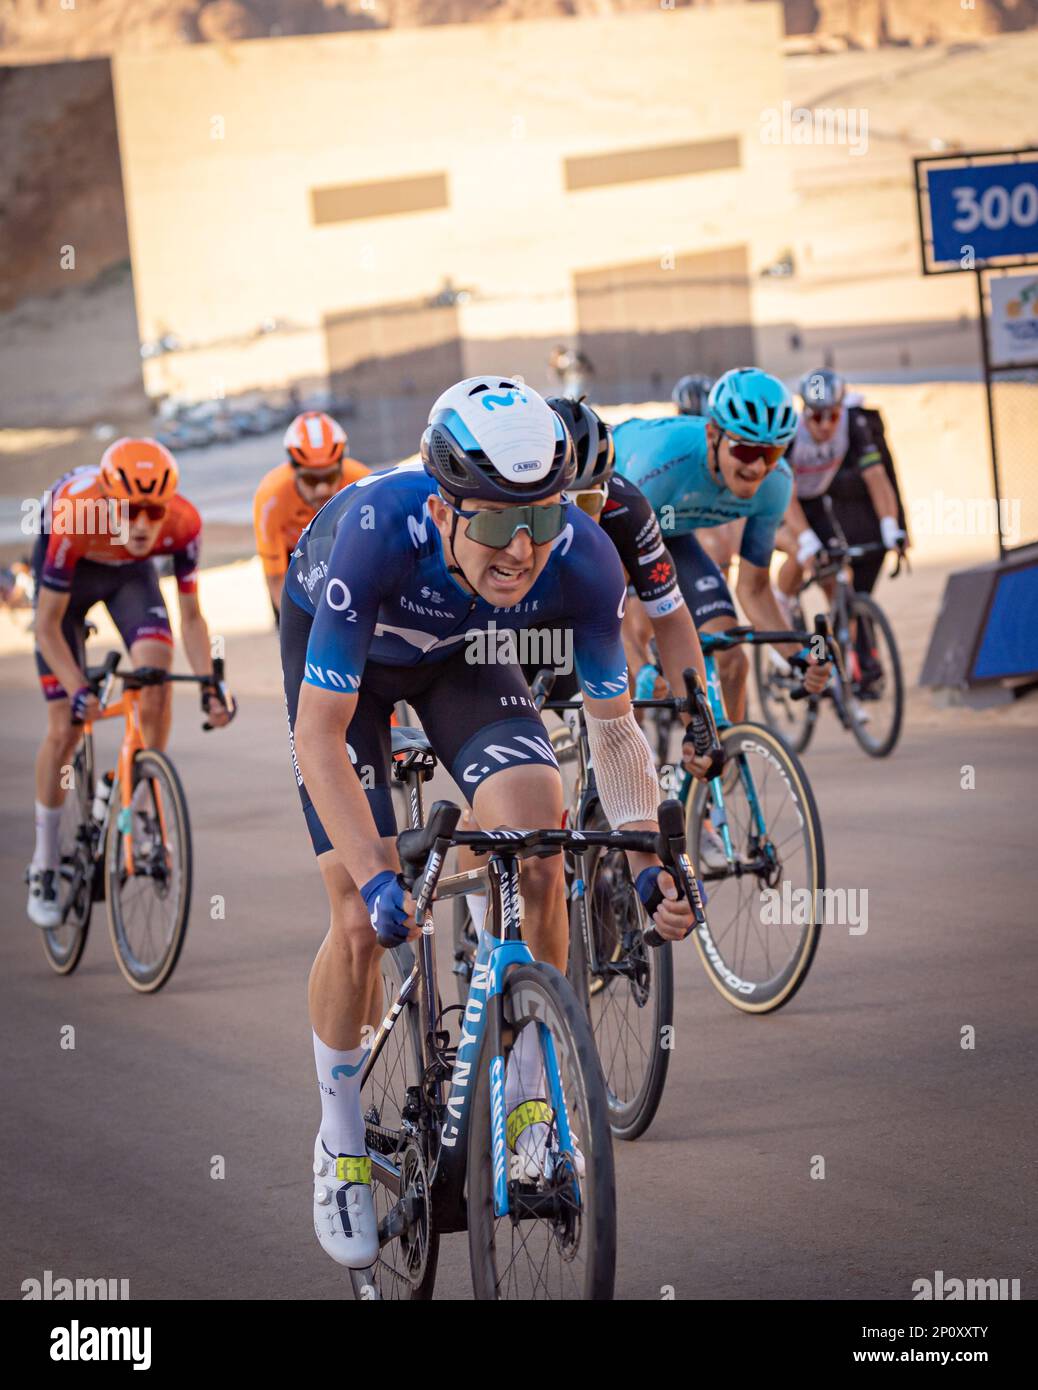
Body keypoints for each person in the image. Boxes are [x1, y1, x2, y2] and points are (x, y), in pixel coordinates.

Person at [280, 375, 695, 1268]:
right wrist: (379, 874)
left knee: (542, 850)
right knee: (357, 917)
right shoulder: (372, 534)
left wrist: (650, 863)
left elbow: (616, 739)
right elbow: (318, 741)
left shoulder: (584, 559)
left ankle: (533, 1103)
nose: (523, 553)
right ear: (443, 505)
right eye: (501, 525)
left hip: (462, 659)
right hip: (343, 665)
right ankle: (340, 1138)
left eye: (541, 521)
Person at [27, 439, 235, 928]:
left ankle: (137, 796)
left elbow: (191, 616)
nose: (143, 523)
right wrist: (78, 687)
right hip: (68, 584)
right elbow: (46, 625)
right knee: (64, 726)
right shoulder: (73, 516)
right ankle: (44, 864)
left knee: (156, 675)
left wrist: (209, 685)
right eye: (131, 510)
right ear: (105, 500)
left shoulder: (183, 523)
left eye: (153, 511)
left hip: (128, 578)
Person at [613, 368, 830, 723]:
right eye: (745, 450)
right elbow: (608, 600)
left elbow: (755, 589)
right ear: (713, 434)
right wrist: (638, 662)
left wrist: (797, 655)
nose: (758, 467)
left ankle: (729, 760)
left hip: (672, 528)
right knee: (632, 675)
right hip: (621, 507)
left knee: (730, 658)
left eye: (773, 452)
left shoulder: (776, 485)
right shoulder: (662, 467)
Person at [775, 368, 907, 601]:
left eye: (833, 416)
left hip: (815, 500)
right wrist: (806, 539)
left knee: (837, 581)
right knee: (801, 553)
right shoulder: (791, 432)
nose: (825, 425)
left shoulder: (854, 422)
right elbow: (786, 493)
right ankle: (782, 601)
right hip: (781, 502)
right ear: (804, 411)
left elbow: (876, 476)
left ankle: (842, 634)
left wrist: (889, 526)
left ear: (841, 409)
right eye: (817, 417)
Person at [252, 411, 368, 621]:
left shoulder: (362, 482)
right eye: (311, 480)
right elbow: (276, 577)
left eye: (331, 476)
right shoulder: (271, 497)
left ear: (343, 466)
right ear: (293, 471)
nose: (322, 489)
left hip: (341, 548)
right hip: (294, 557)